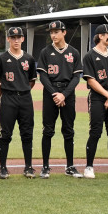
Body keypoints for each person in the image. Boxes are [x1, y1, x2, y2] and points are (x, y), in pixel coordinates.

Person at [36, 19, 83, 177]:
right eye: (51, 32)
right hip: (50, 94)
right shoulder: (45, 52)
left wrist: (64, 94)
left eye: (56, 32)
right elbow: (42, 76)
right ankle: (45, 167)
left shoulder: (74, 52)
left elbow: (76, 78)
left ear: (64, 32)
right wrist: (55, 94)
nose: (53, 35)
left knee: (68, 130)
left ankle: (70, 166)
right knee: (48, 130)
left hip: (67, 94)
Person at [0, 25, 37, 178]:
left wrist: (22, 90)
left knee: (27, 133)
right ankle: (3, 168)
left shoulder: (29, 58)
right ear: (8, 39)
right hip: (8, 98)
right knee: (5, 134)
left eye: (19, 37)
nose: (16, 40)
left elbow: (31, 81)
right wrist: (5, 94)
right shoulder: (2, 59)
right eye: (13, 37)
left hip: (25, 98)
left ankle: (28, 167)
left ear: (23, 39)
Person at [82, 24, 108, 178]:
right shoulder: (89, 56)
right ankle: (89, 167)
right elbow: (91, 80)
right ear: (100, 36)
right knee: (95, 132)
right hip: (97, 98)